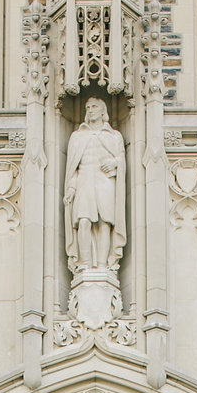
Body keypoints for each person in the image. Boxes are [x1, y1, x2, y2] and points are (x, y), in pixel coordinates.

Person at [63, 97, 126, 273]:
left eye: (94, 107)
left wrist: (115, 163)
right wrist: (71, 188)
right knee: (83, 221)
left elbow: (121, 160)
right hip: (84, 180)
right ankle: (85, 263)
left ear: (103, 111)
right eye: (88, 107)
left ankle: (103, 265)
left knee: (105, 223)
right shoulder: (77, 136)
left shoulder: (114, 136)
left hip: (105, 182)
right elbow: (73, 167)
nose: (90, 110)